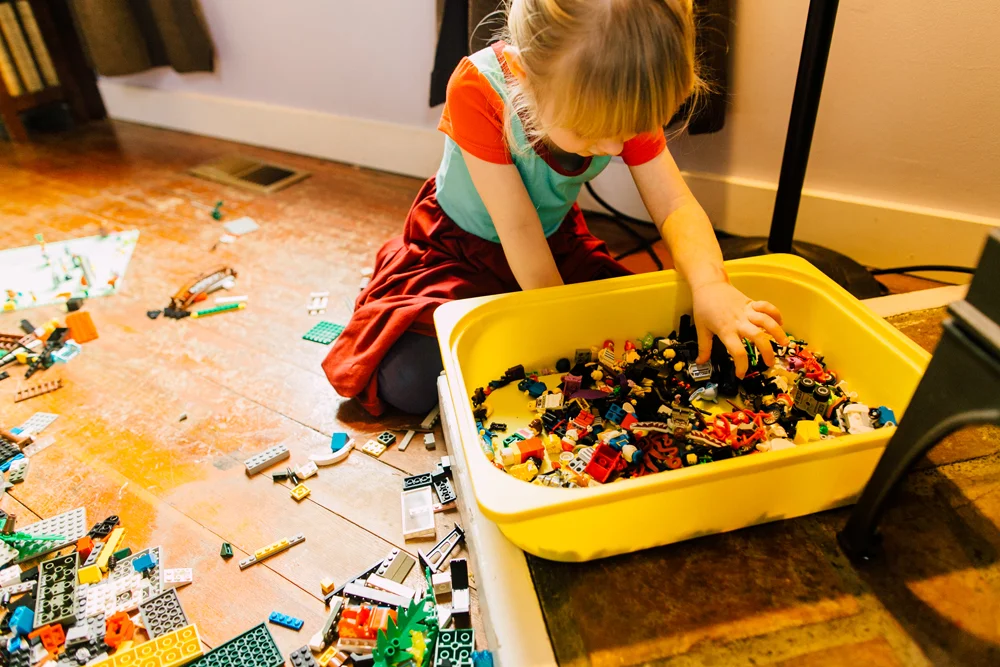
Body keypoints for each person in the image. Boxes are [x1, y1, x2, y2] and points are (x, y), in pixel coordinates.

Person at [323, 0, 788, 416]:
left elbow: (674, 203)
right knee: (408, 380)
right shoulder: (477, 87)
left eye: (631, 129)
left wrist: (711, 284)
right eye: (590, 132)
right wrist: (566, 338)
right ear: (526, 81)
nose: (613, 145)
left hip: (554, 244)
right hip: (460, 247)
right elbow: (519, 229)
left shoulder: (624, 91)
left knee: (644, 340)